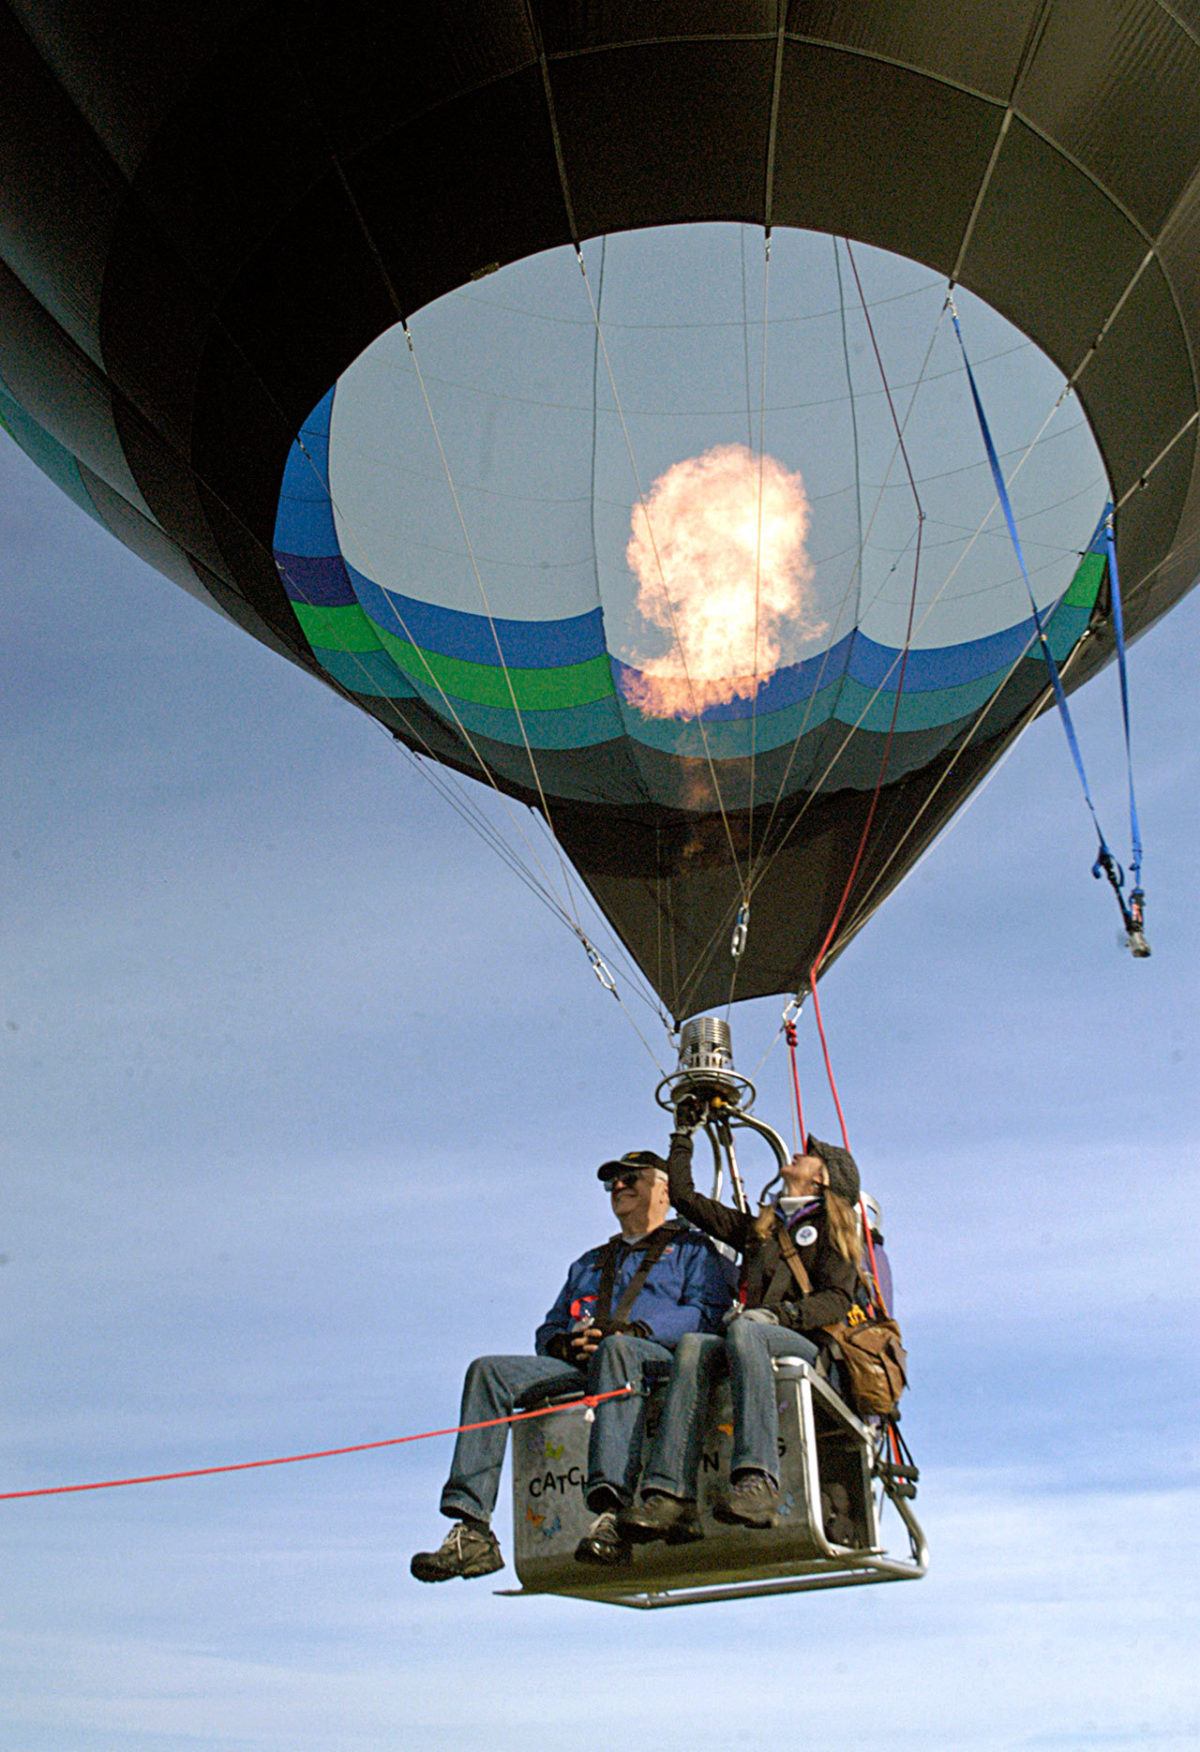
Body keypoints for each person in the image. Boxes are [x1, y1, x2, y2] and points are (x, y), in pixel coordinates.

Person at [410, 1148, 731, 1582]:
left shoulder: (693, 1250)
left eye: (630, 1178)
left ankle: (612, 1513)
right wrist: (565, 1343)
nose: (618, 1187)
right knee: (488, 1372)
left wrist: (635, 1332)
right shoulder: (590, 1262)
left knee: (618, 1353)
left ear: (664, 1190)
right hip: (590, 1366)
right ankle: (473, 1529)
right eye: (611, 1182)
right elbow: (548, 1330)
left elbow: (706, 1313)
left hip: (659, 1363)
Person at [617, 1107, 862, 1544]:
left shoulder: (832, 1230)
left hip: (803, 1344)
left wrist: (781, 1316)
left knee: (746, 1329)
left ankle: (758, 1481)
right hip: (749, 1336)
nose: (801, 1153)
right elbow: (688, 1198)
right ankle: (670, 1493)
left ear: (821, 1179)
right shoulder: (761, 1230)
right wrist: (683, 1136)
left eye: (811, 1155)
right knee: (693, 1345)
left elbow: (837, 1300)